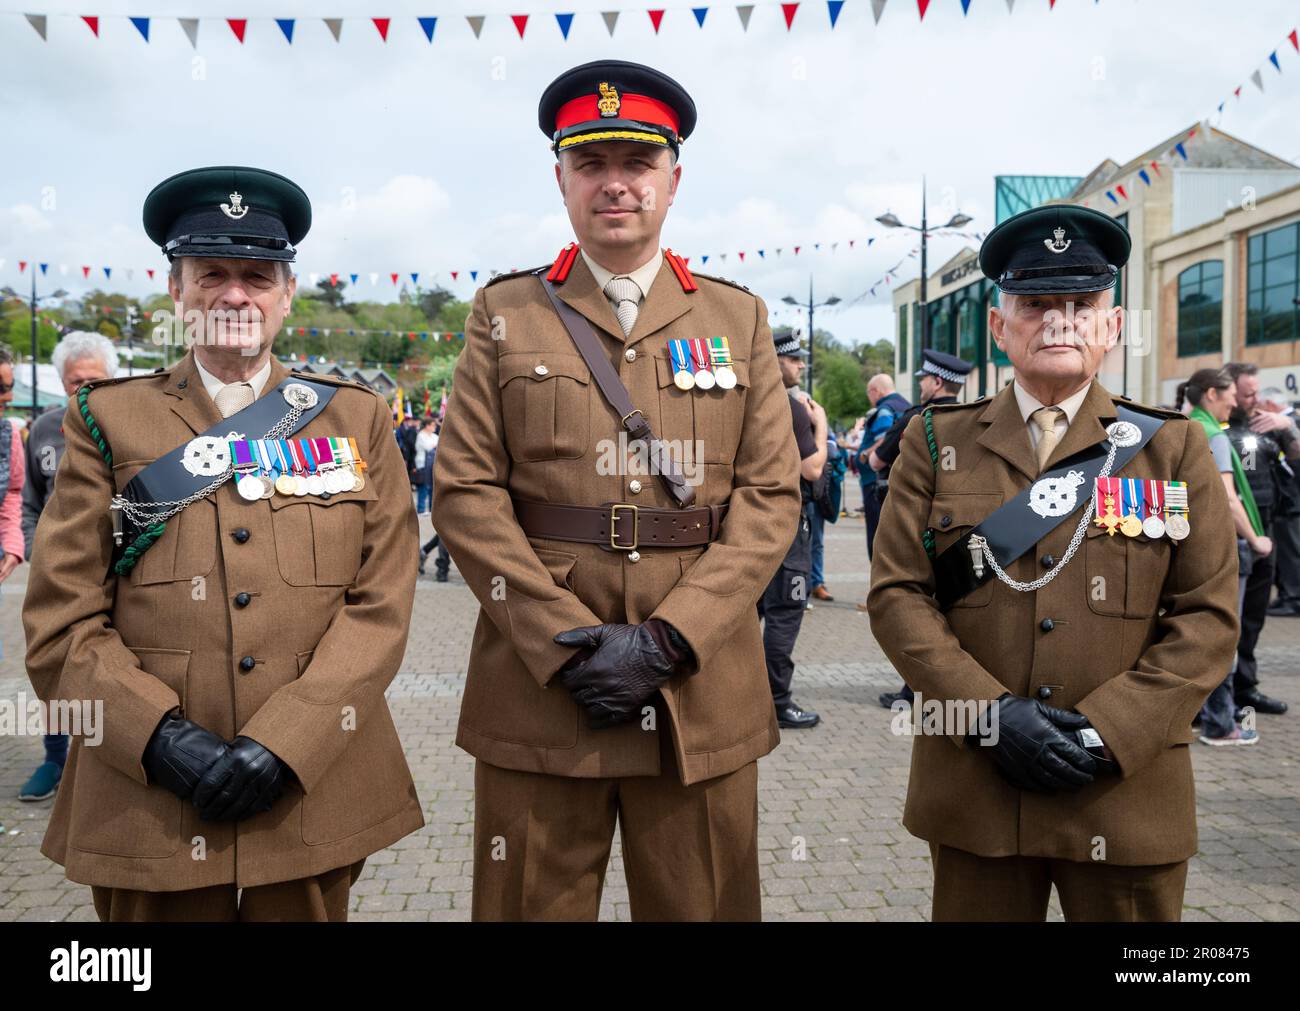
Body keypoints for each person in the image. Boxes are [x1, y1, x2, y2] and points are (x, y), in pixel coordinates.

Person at [433, 60, 801, 921]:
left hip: (698, 686)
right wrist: (561, 644)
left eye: (637, 163)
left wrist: (671, 638)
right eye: (591, 163)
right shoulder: (503, 313)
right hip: (541, 688)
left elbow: (769, 499)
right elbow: (466, 494)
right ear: (560, 176)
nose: (616, 184)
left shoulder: (736, 318)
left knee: (703, 904)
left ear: (674, 177)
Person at [22, 165, 423, 922]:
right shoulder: (106, 420)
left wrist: (288, 740)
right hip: (147, 797)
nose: (235, 295)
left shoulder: (356, 419)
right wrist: (158, 739)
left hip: (308, 790)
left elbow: (381, 609)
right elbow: (59, 624)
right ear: (176, 290)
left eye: (257, 275)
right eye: (212, 274)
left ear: (286, 294)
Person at [868, 205, 1238, 922]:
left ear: (1114, 326)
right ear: (1001, 329)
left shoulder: (1173, 447)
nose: (1060, 320)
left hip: (1124, 793)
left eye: (1082, 303)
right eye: (1036, 303)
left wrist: (1108, 730)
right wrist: (991, 717)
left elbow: (1208, 617)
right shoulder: (934, 440)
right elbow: (897, 597)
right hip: (978, 786)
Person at [18, 331, 117, 802]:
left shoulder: (128, 426)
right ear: (61, 382)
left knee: (112, 665)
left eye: (92, 381)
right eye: (74, 382)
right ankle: (55, 758)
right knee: (54, 663)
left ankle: (108, 758)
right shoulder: (43, 429)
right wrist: (41, 557)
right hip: (56, 577)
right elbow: (29, 501)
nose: (82, 390)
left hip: (118, 572)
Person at [870, 349, 971, 706]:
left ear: (937, 381)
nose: (922, 385)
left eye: (924, 380)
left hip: (911, 524)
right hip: (957, 529)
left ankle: (913, 685)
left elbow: (875, 459)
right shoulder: (971, 419)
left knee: (909, 599)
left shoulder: (918, 418)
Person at [1174, 369, 1266, 745]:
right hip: (1225, 545)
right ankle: (1221, 723)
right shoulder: (1212, 435)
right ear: (1211, 394)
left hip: (1190, 544)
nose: (1234, 402)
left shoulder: (1181, 427)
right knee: (1225, 631)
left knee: (1192, 628)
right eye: (1230, 394)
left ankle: (1196, 715)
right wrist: (1256, 539)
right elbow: (1228, 499)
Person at [758, 333, 826, 729]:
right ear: (778, 361)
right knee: (784, 617)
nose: (801, 367)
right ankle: (777, 703)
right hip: (786, 531)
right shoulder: (792, 408)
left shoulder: (743, 399)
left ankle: (742, 698)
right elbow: (812, 470)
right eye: (795, 360)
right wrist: (821, 428)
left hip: (742, 527)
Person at [1223, 362, 1294, 716]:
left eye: (1255, 392)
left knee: (1252, 618)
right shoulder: (1212, 428)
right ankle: (1218, 698)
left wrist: (1288, 426)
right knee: (1226, 620)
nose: (1254, 399)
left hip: (1266, 534)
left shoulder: (1267, 426)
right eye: (1247, 393)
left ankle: (1244, 687)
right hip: (1231, 538)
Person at [858, 373, 910, 563]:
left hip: (876, 483)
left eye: (868, 393)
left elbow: (883, 440)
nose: (869, 398)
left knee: (877, 537)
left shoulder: (885, 410)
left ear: (876, 391)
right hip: (897, 479)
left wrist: (864, 454)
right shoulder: (906, 406)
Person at [1259, 386, 1300, 616]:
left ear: (1271, 405)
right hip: (1286, 500)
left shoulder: (1291, 423)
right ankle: (1286, 594)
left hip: (1291, 499)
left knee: (1291, 551)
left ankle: (1293, 598)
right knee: (1286, 551)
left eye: (1260, 406)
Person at [413, 415, 438, 515]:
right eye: (432, 425)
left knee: (432, 488)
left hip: (433, 464)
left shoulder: (434, 436)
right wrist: (434, 445)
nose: (434, 427)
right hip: (423, 464)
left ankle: (433, 510)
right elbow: (428, 447)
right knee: (423, 488)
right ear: (427, 426)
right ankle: (421, 510)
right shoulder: (421, 435)